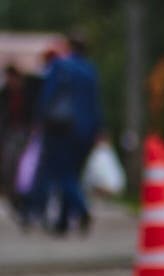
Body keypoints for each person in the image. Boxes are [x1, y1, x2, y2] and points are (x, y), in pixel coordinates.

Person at [35, 34, 102, 235]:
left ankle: (81, 209)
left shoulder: (60, 66)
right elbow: (96, 103)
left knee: (62, 174)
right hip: (86, 131)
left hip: (62, 129)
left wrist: (39, 120)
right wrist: (99, 129)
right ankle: (63, 222)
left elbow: (47, 96)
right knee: (73, 173)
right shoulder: (90, 70)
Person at [0, 63, 39, 210]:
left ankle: (25, 198)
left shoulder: (29, 92)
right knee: (9, 166)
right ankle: (15, 198)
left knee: (25, 167)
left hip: (26, 132)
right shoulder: (5, 94)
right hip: (10, 133)